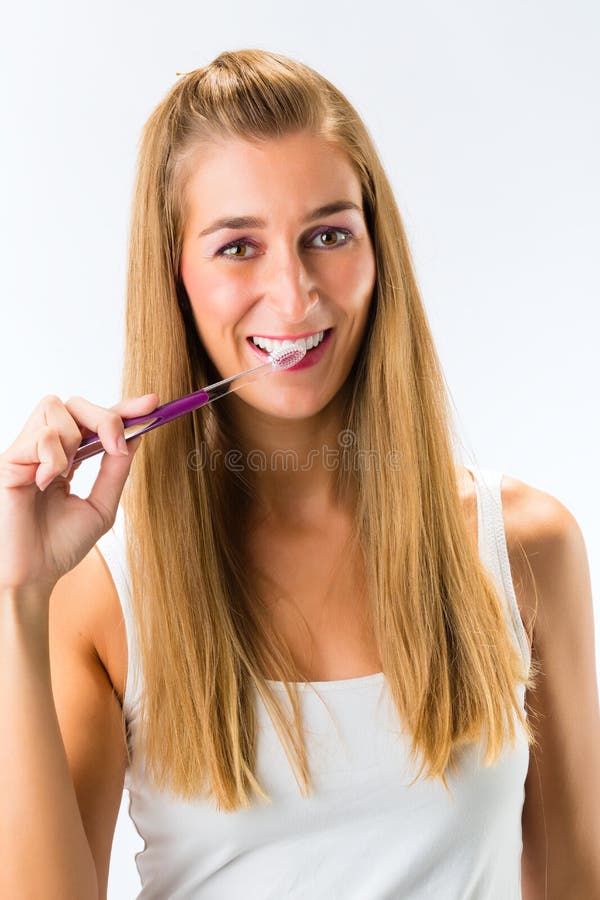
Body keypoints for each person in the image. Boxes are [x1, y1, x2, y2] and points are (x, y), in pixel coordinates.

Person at [1, 48, 599, 900]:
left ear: (376, 251)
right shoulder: (98, 596)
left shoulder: (530, 548)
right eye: (238, 247)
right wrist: (14, 598)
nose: (293, 293)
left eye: (328, 235)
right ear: (177, 276)